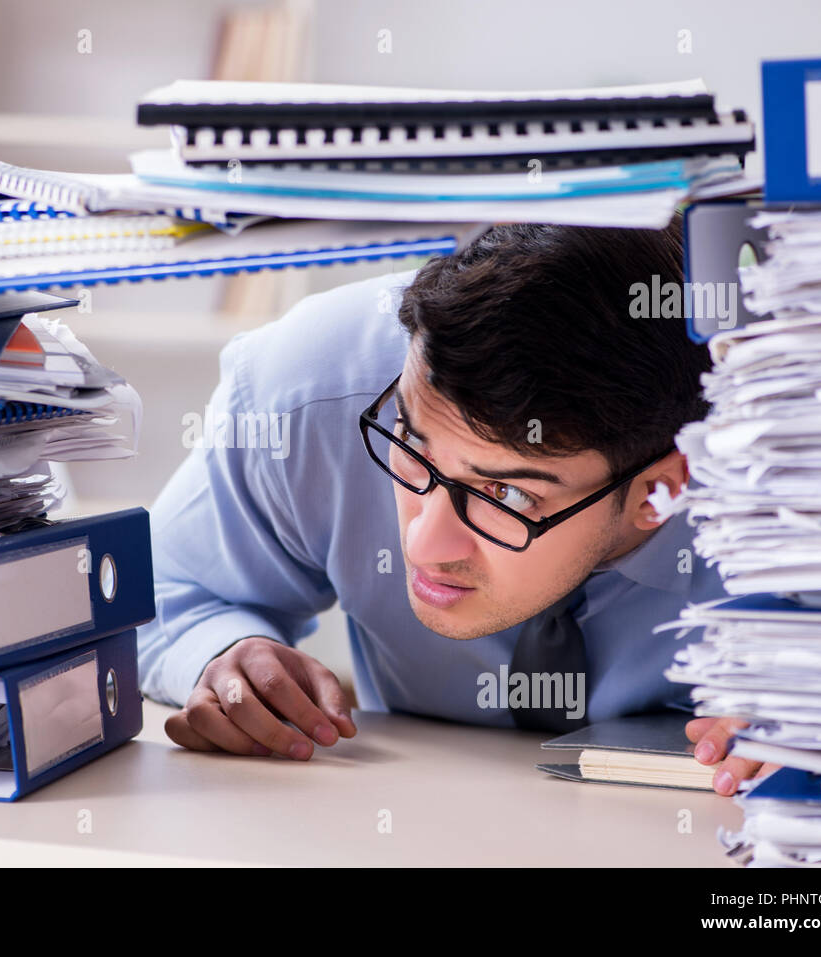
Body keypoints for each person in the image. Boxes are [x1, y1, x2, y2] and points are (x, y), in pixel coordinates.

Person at [138, 218, 770, 796]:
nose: (422, 547)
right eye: (412, 441)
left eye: (510, 494)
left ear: (661, 492)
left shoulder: (810, 471)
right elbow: (159, 589)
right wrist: (223, 653)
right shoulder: (313, 390)